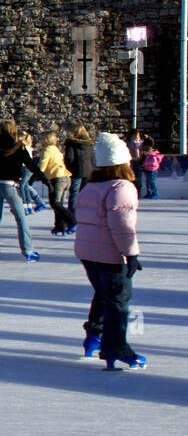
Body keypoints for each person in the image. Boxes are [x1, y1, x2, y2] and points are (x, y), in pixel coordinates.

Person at [74, 133, 146, 369]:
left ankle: (94, 336)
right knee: (118, 299)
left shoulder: (91, 186)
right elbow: (123, 226)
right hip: (110, 254)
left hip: (88, 253)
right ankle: (115, 347)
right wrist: (131, 254)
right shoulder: (121, 187)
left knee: (103, 294)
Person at [0, 120, 47, 261]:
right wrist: (43, 177)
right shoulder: (17, 147)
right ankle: (28, 249)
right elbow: (30, 164)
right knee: (21, 218)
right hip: (10, 185)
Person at [38, 130, 77, 235]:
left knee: (55, 203)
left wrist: (35, 176)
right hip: (65, 178)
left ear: (46, 139)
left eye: (41, 139)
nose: (39, 141)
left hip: (57, 179)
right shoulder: (55, 149)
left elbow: (42, 165)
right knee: (58, 204)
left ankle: (72, 221)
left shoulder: (46, 150)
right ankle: (60, 226)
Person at [64, 125, 96, 212]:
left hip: (76, 170)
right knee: (85, 193)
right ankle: (84, 211)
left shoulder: (71, 143)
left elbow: (69, 158)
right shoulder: (89, 143)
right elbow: (92, 158)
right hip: (88, 170)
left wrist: (68, 169)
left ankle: (72, 212)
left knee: (74, 192)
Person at [18, 133, 47, 212]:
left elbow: (24, 160)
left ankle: (25, 204)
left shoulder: (24, 148)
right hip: (26, 169)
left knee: (22, 186)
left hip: (26, 169)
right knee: (26, 186)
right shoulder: (26, 148)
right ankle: (33, 204)